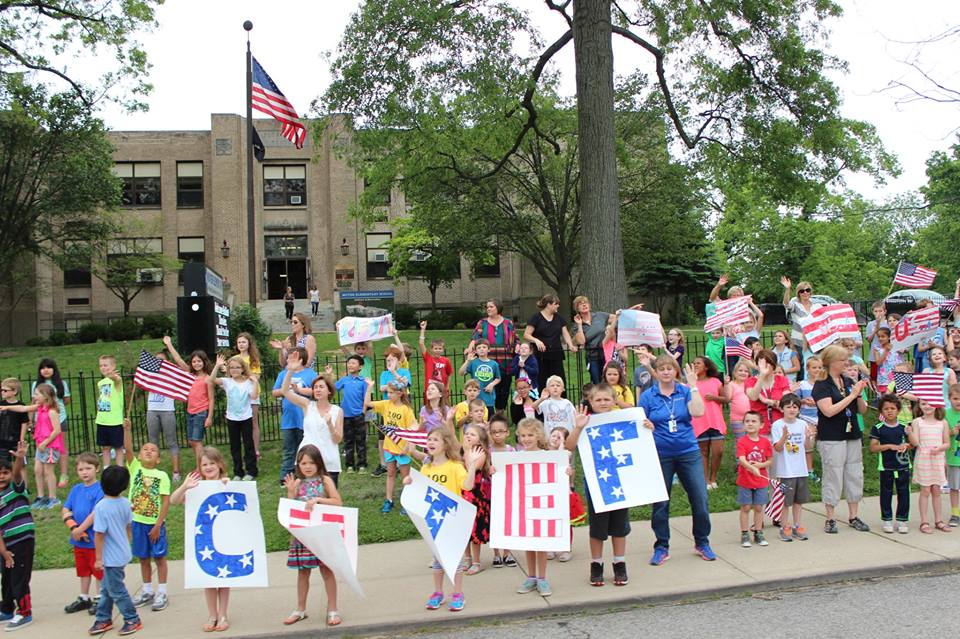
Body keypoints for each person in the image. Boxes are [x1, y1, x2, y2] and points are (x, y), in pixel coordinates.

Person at [567, 383, 647, 586]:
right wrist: (578, 427)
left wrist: (647, 427)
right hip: (597, 481)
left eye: (606, 399)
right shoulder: (585, 421)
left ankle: (619, 563)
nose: (602, 403)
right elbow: (569, 446)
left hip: (620, 480)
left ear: (614, 400)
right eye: (598, 399)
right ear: (590, 401)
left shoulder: (622, 420)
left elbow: (640, 439)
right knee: (597, 526)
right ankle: (597, 564)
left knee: (620, 525)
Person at [639, 356, 715, 565]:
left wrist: (693, 386)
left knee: (700, 498)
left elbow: (698, 412)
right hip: (661, 454)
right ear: (656, 372)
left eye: (669, 368)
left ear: (675, 371)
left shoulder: (684, 391)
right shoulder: (648, 396)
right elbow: (640, 422)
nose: (665, 372)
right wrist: (647, 425)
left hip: (688, 451)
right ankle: (661, 546)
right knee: (661, 503)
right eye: (661, 369)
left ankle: (702, 541)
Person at [407, 428, 476, 612]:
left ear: (445, 444)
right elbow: (420, 491)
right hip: (433, 521)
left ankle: (458, 593)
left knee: (455, 559)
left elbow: (467, 485)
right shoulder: (426, 468)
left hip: (452, 520)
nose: (430, 442)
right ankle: (438, 592)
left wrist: (472, 467)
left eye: (435, 439)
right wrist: (410, 482)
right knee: (437, 559)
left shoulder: (455, 466)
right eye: (429, 439)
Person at [169, 447, 232, 631]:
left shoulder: (226, 483)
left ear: (220, 465)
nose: (209, 467)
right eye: (204, 464)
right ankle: (212, 615)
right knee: (208, 579)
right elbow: (173, 500)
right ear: (200, 468)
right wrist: (185, 486)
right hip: (204, 539)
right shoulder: (196, 488)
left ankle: (223, 614)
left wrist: (228, 486)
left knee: (224, 578)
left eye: (212, 463)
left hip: (224, 538)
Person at [281, 445, 343, 627]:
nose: (307, 467)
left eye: (311, 463)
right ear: (298, 465)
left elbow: (338, 502)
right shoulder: (297, 483)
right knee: (303, 572)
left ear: (318, 463)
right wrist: (290, 492)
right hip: (303, 534)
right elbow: (291, 508)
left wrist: (319, 500)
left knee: (327, 570)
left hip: (322, 532)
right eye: (303, 463)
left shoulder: (325, 480)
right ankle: (300, 609)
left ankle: (332, 609)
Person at [813, 344, 870, 534]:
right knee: (833, 474)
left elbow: (862, 410)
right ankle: (830, 517)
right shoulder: (822, 384)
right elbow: (828, 411)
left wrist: (858, 394)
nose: (846, 363)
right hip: (832, 435)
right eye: (842, 360)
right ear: (832, 362)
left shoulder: (847, 381)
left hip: (852, 433)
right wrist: (851, 396)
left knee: (855, 473)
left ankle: (854, 515)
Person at [119, 419, 170, 612]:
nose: (148, 451)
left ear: (158, 459)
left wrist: (158, 524)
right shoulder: (135, 469)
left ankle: (162, 591)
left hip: (154, 524)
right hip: (137, 522)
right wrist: (127, 430)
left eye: (153, 450)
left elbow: (165, 501)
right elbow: (127, 449)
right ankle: (147, 589)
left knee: (160, 557)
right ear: (139, 456)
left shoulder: (162, 476)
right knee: (143, 557)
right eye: (145, 449)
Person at [515, 418, 568, 597]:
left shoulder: (547, 455)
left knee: (541, 543)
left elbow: (561, 471)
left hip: (542, 504)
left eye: (530, 435)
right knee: (529, 543)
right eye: (523, 435)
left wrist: (567, 472)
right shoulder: (516, 457)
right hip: (525, 504)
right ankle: (531, 577)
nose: (526, 439)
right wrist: (496, 472)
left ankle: (542, 578)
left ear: (538, 435)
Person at [88, 465, 140, 636]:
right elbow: (129, 526)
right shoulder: (126, 503)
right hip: (122, 552)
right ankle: (103, 618)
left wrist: (98, 558)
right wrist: (127, 543)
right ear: (124, 486)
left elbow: (99, 535)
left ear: (102, 483)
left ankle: (132, 618)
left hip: (111, 557)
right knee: (106, 588)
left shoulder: (101, 507)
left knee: (116, 590)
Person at [0, 385, 62, 508]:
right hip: (40, 444)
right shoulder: (39, 407)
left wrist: (45, 442)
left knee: (48, 472)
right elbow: (23, 408)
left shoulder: (52, 411)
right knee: (37, 470)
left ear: (46, 396)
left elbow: (57, 430)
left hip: (49, 446)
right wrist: (7, 407)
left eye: (37, 394)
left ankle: (53, 498)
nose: (34, 396)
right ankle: (40, 497)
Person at [281, 368, 343, 488]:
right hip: (307, 459)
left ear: (329, 391)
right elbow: (285, 391)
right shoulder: (307, 405)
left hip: (329, 460)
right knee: (306, 496)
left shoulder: (337, 411)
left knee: (329, 496)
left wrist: (330, 424)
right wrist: (290, 370)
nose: (317, 390)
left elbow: (338, 439)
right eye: (315, 387)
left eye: (321, 387)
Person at [126, 351, 180, 483]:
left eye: (162, 359)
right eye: (156, 359)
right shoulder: (150, 374)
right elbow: (140, 381)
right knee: (152, 443)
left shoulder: (171, 374)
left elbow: (182, 370)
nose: (158, 362)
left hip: (167, 410)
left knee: (172, 442)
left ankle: (176, 472)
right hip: (152, 410)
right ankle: (152, 471)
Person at [365, 380, 417, 515]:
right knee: (390, 474)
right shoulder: (385, 404)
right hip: (389, 447)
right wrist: (369, 387)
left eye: (391, 392)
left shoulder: (406, 410)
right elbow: (367, 404)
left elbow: (413, 429)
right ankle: (389, 500)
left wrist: (407, 447)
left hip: (402, 449)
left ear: (399, 394)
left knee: (405, 477)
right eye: (388, 392)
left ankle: (407, 502)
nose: (388, 395)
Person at [61, 452, 104, 614]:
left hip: (95, 539)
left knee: (98, 570)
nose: (84, 472)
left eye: (88, 468)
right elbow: (66, 509)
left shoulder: (101, 489)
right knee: (83, 569)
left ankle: (100, 597)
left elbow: (96, 513)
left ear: (97, 469)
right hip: (78, 539)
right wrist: (74, 528)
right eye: (81, 469)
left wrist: (81, 529)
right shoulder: (76, 489)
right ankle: (84, 597)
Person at [162, 337, 214, 470]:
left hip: (201, 413)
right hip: (190, 412)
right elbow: (178, 359)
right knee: (192, 441)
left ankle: (200, 468)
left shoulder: (208, 378)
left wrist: (209, 417)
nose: (196, 363)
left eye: (199, 361)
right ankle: (201, 464)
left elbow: (211, 399)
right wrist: (169, 344)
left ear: (204, 362)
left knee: (197, 441)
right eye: (194, 361)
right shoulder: (189, 375)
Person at [771, 395, 814, 541]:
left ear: (799, 410)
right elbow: (777, 448)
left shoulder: (802, 424)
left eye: (795, 407)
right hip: (786, 471)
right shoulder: (777, 425)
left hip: (800, 469)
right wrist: (784, 436)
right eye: (788, 406)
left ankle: (797, 526)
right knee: (786, 501)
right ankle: (784, 527)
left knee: (798, 500)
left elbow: (807, 447)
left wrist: (808, 437)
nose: (792, 409)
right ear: (782, 409)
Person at [271, 348, 317, 483]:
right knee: (288, 449)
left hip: (304, 418)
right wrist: (287, 390)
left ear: (301, 359)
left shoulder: (310, 374)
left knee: (304, 449)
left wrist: (299, 390)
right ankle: (286, 476)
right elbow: (275, 392)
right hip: (288, 419)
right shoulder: (283, 374)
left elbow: (315, 391)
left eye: (292, 357)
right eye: (288, 357)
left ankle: (302, 474)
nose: (289, 360)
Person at [0, 441, 33, 630]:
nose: (1, 476)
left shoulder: (15, 488)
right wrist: (4, 552)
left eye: (5, 472)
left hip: (22, 540)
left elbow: (18, 473)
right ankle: (6, 609)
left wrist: (19, 458)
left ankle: (25, 612)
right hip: (5, 544)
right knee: (6, 578)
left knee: (19, 578)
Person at [211, 355, 260, 481]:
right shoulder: (227, 382)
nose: (234, 370)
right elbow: (212, 380)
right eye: (232, 367)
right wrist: (217, 365)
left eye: (237, 367)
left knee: (249, 445)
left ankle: (251, 471)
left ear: (243, 369)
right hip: (232, 419)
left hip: (246, 418)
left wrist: (255, 382)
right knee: (235, 447)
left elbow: (254, 396)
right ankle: (238, 472)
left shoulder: (248, 383)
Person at [908, 399, 951, 534]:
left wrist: (939, 448)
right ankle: (924, 521)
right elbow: (916, 443)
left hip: (937, 458)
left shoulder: (942, 423)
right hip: (924, 458)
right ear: (919, 406)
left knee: (936, 490)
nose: (927, 406)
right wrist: (910, 433)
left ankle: (938, 520)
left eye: (930, 403)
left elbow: (947, 443)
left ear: (937, 405)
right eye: (923, 404)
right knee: (925, 490)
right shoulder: (917, 422)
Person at [870, 395, 912, 534]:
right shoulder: (878, 428)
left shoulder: (904, 427)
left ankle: (902, 520)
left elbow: (913, 444)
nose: (889, 411)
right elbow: (873, 448)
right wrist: (889, 446)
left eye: (893, 408)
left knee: (904, 493)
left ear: (898, 410)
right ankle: (887, 519)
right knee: (886, 493)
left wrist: (908, 443)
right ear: (881, 411)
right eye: (886, 409)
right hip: (886, 466)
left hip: (903, 466)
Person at [467, 300, 518, 411]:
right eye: (487, 307)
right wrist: (470, 346)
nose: (488, 309)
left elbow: (515, 339)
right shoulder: (482, 323)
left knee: (503, 390)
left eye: (491, 306)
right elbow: (475, 338)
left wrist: (518, 346)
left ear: (498, 308)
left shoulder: (508, 323)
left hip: (505, 361)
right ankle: (485, 413)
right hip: (486, 363)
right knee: (486, 388)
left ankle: (499, 413)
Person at [524, 294, 577, 392]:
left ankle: (559, 399)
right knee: (541, 381)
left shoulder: (559, 317)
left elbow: (565, 333)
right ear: (548, 304)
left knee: (559, 380)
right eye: (556, 304)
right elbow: (526, 335)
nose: (558, 306)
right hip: (540, 356)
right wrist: (536, 341)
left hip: (556, 354)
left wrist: (570, 345)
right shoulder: (536, 317)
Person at [31, 358, 70, 488]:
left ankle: (64, 474)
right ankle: (45, 472)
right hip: (41, 421)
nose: (46, 370)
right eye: (43, 368)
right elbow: (34, 402)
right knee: (42, 447)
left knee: (61, 447)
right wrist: (31, 419)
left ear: (54, 369)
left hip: (59, 418)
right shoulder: (36, 384)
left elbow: (66, 399)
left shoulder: (61, 383)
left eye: (49, 367)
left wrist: (53, 408)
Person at [736, 411, 772, 548]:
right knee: (746, 507)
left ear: (761, 425)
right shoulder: (742, 441)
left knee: (758, 507)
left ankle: (758, 532)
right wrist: (751, 468)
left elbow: (770, 460)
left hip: (761, 481)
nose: (750, 424)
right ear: (743, 424)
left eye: (753, 421)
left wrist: (760, 466)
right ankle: (745, 534)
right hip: (745, 480)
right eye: (747, 421)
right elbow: (741, 459)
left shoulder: (765, 442)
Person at [691, 357, 728, 490]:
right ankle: (706, 480)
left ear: (706, 367)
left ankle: (713, 478)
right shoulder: (690, 384)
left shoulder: (715, 381)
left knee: (718, 451)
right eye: (694, 363)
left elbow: (726, 399)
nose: (695, 365)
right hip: (699, 422)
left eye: (698, 363)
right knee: (703, 452)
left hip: (715, 421)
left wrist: (714, 398)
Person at [460, 423, 491, 575]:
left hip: (476, 496)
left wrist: (467, 451)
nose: (468, 436)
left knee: (474, 529)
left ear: (480, 440)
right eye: (467, 433)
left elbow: (470, 468)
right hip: (462, 493)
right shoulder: (462, 450)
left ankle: (477, 562)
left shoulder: (480, 452)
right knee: (463, 529)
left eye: (472, 434)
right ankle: (467, 558)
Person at [548, 427, 582, 562]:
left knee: (565, 522)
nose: (555, 439)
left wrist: (563, 444)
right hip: (548, 492)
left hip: (563, 493)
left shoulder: (566, 453)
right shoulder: (543, 453)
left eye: (559, 437)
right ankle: (551, 546)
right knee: (549, 521)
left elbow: (560, 457)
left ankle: (566, 548)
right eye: (553, 435)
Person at [330, 356, 368, 473]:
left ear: (360, 366)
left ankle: (362, 464)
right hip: (346, 416)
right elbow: (332, 388)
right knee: (348, 441)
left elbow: (366, 398)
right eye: (349, 363)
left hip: (359, 415)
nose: (350, 365)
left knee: (360, 441)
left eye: (353, 363)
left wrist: (363, 412)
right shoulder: (344, 380)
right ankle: (349, 465)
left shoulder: (364, 382)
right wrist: (330, 375)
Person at [745, 350, 791, 438]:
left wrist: (766, 401)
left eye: (768, 363)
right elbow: (753, 397)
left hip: (779, 426)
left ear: (774, 365)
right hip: (759, 428)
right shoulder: (751, 381)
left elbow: (786, 404)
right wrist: (762, 375)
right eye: (761, 364)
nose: (764, 366)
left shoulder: (782, 379)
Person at [235, 333, 263, 461]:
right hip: (238, 395)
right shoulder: (234, 359)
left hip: (252, 393)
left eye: (243, 342)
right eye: (239, 342)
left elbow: (255, 377)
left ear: (248, 344)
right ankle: (246, 449)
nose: (241, 344)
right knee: (241, 423)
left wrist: (242, 373)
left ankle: (255, 450)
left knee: (253, 422)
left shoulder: (253, 359)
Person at [570, 296, 611, 384]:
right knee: (596, 382)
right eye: (580, 304)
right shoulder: (575, 326)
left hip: (606, 354)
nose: (584, 305)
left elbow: (617, 318)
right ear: (577, 308)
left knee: (608, 381)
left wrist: (630, 311)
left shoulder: (600, 315)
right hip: (592, 357)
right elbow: (581, 341)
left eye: (585, 302)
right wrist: (580, 325)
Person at [95, 355, 124, 469]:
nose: (103, 367)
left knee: (118, 447)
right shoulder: (100, 383)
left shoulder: (117, 380)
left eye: (105, 365)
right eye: (101, 365)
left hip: (114, 421)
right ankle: (106, 468)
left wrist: (114, 377)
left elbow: (117, 381)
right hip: (102, 420)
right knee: (105, 447)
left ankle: (119, 468)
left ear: (113, 366)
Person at [458, 339, 500, 413]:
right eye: (479, 348)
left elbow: (498, 378)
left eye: (484, 347)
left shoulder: (494, 364)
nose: (481, 349)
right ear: (476, 351)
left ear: (488, 349)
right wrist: (467, 361)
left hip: (488, 397)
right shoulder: (473, 362)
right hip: (475, 397)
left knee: (489, 418)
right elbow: (461, 373)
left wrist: (492, 384)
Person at [781, 276, 819, 355]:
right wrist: (788, 289)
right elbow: (786, 304)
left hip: (814, 341)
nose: (805, 293)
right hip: (799, 342)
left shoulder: (816, 306)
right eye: (802, 291)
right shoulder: (795, 304)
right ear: (798, 293)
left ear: (810, 292)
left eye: (807, 290)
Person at [418, 321, 454, 401]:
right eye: (436, 348)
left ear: (443, 350)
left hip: (442, 389)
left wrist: (447, 386)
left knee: (443, 407)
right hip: (430, 389)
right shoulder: (428, 358)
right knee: (430, 407)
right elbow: (421, 344)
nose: (438, 350)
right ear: (431, 349)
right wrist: (423, 329)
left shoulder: (446, 360)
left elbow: (449, 374)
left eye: (440, 348)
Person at [946, 383, 960, 527]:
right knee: (954, 487)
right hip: (954, 458)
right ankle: (955, 514)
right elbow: (941, 434)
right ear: (949, 398)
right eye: (955, 398)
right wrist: (952, 432)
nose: (958, 401)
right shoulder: (946, 415)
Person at [727, 362, 751, 442]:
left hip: (751, 418)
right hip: (737, 419)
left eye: (746, 371)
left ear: (749, 374)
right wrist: (726, 384)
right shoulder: (731, 385)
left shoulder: (751, 384)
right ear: (734, 373)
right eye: (740, 370)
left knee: (751, 440)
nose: (743, 373)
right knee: (740, 441)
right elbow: (728, 398)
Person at [865, 301, 887, 382]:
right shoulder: (870, 324)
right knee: (875, 377)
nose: (878, 313)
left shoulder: (888, 323)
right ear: (873, 312)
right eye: (876, 311)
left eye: (880, 311)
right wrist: (875, 329)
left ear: (885, 311)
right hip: (874, 355)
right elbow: (869, 340)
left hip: (886, 354)